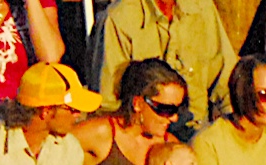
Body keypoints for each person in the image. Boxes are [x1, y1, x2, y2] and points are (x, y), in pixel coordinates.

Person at [92, 0, 235, 126]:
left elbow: (228, 84)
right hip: (144, 137)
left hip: (196, 131)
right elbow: (108, 105)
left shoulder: (202, 7)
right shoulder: (119, 19)